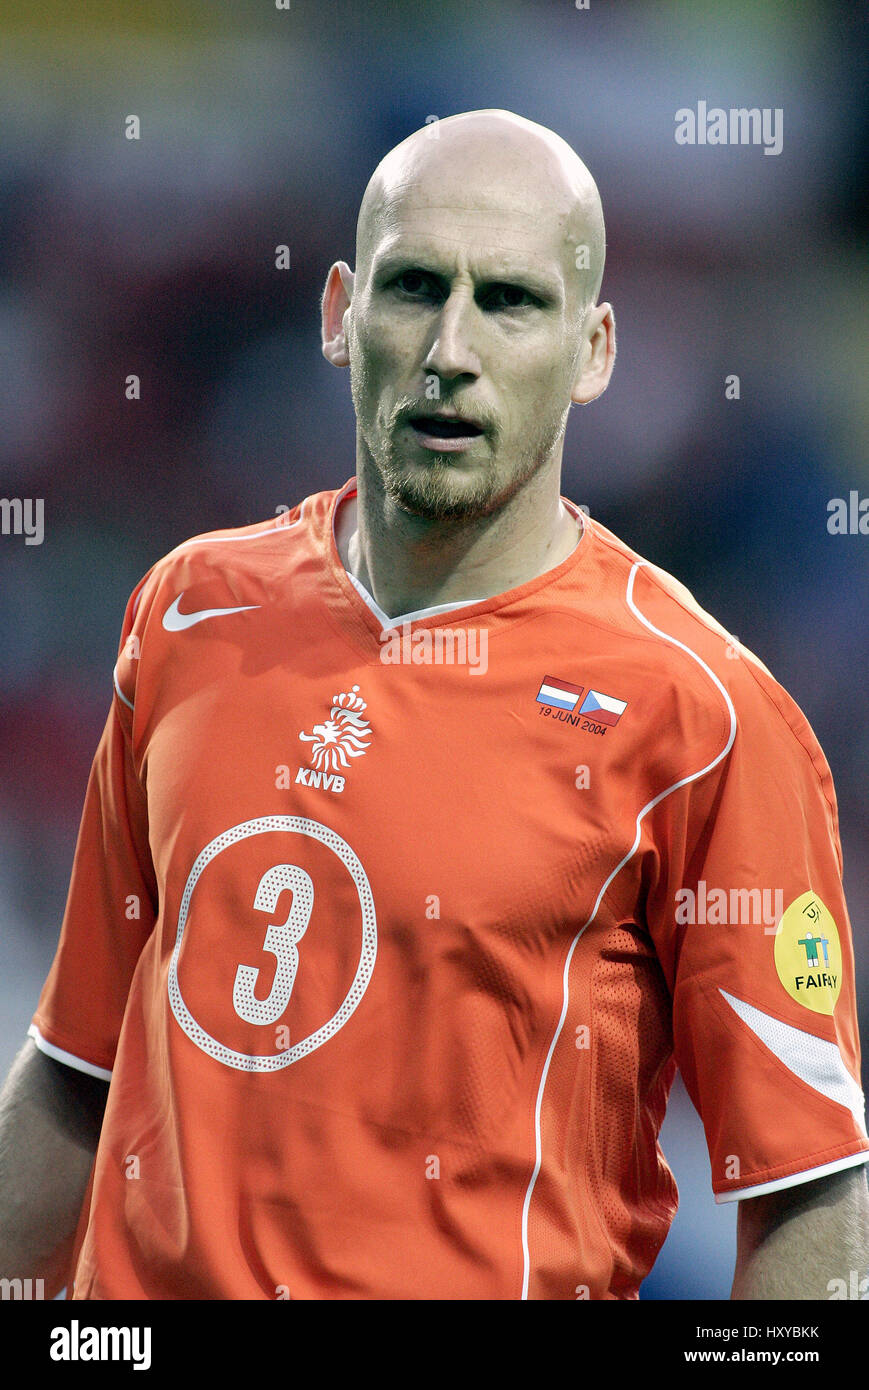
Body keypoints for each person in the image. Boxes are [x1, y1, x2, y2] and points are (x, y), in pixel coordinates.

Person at [1, 109, 867, 1301]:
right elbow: (73, 1069)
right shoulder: (189, 611)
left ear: (596, 348)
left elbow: (808, 1182)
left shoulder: (703, 716)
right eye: (413, 287)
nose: (448, 347)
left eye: (509, 301)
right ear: (337, 313)